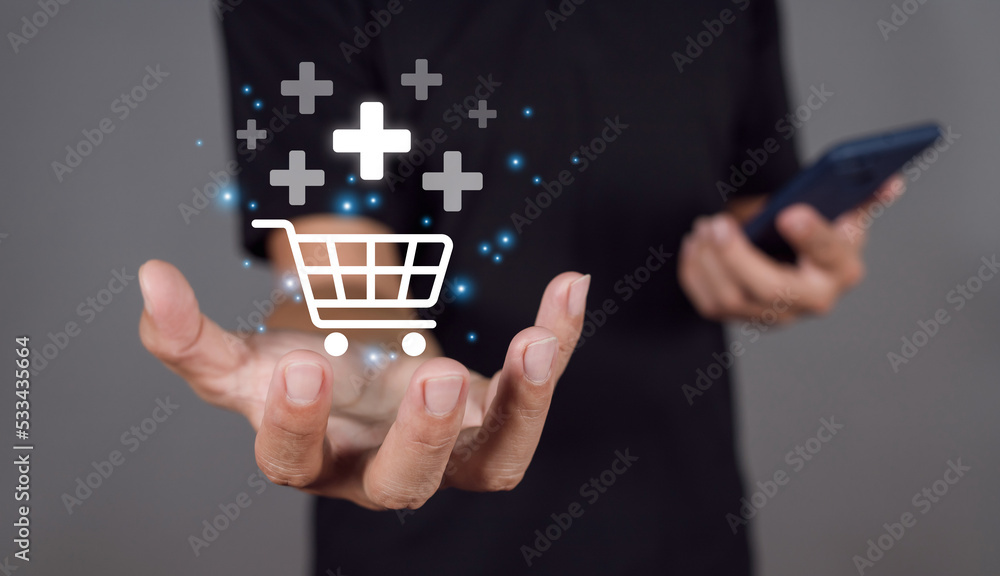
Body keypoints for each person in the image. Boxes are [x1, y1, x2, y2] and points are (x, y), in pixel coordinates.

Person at [139, 0, 903, 573]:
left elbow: (752, 211)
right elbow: (337, 252)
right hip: (432, 528)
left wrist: (783, 274)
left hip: (687, 520)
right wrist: (374, 368)